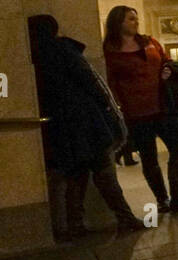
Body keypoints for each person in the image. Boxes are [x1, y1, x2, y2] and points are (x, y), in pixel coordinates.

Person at [28, 14, 144, 238]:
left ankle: (74, 225)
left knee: (76, 175)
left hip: (61, 125)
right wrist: (110, 111)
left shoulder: (35, 56)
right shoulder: (65, 51)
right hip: (87, 122)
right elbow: (92, 82)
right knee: (103, 173)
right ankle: (125, 218)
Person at [102, 5, 178, 214]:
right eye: (130, 19)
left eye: (136, 19)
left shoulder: (150, 42)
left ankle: (177, 196)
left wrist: (167, 69)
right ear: (118, 22)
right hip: (136, 113)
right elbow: (110, 82)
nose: (135, 22)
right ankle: (162, 199)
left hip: (163, 107)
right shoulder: (109, 50)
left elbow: (167, 61)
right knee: (149, 157)